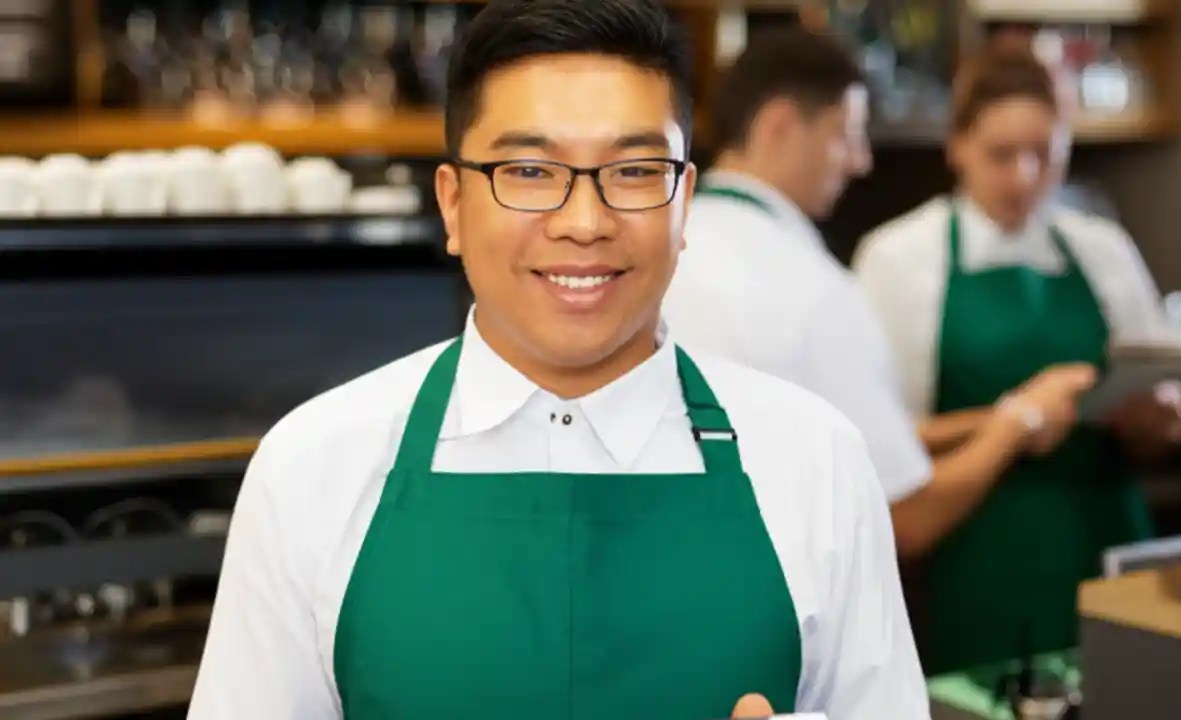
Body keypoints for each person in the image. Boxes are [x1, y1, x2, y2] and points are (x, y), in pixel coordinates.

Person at [188, 2, 928, 719]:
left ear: (684, 203)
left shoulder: (817, 463)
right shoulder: (311, 469)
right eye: (530, 172)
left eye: (635, 171)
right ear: (452, 205)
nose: (584, 223)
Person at [663, 27, 1097, 560]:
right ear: (779, 126)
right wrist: (1017, 423)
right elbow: (905, 515)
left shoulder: (665, 250)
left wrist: (1002, 413)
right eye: (845, 134)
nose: (860, 161)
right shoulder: (812, 284)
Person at [853, 46, 1181, 673]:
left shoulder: (1103, 249)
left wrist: (1159, 414)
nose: (1023, 177)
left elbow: (1172, 413)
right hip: (979, 552)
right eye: (1001, 155)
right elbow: (888, 442)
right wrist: (1021, 416)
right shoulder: (898, 259)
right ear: (956, 146)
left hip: (1106, 538)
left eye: (1045, 153)